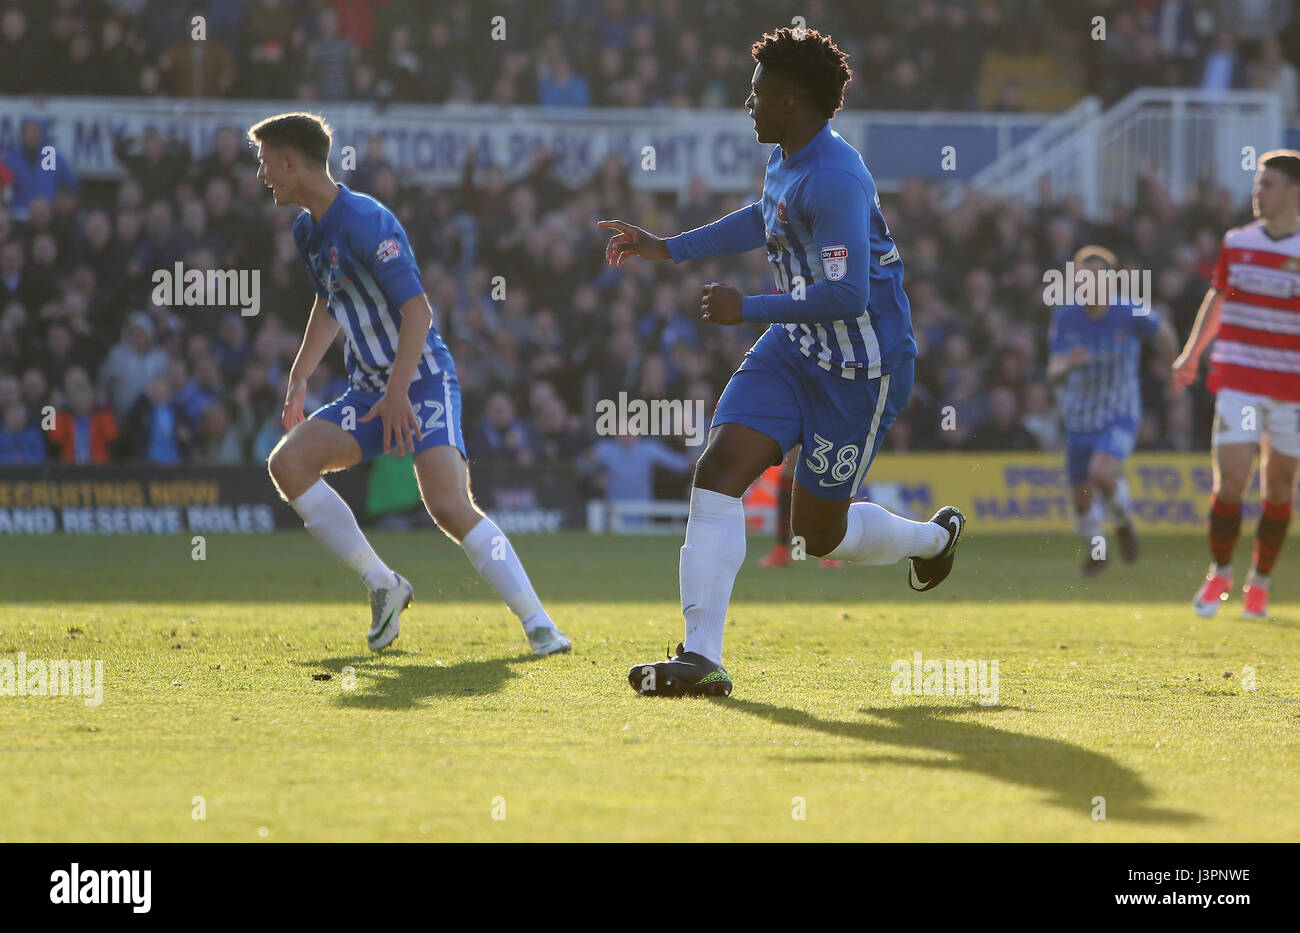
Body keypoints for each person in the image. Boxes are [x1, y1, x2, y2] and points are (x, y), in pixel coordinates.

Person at [598, 28, 964, 698]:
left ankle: (932, 542)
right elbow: (765, 218)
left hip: (861, 370)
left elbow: (849, 293)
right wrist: (668, 248)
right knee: (718, 468)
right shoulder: (791, 157)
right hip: (796, 349)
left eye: (758, 91)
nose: (748, 103)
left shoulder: (835, 178)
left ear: (791, 102)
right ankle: (699, 656)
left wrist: (750, 308)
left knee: (817, 534)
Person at [249, 112, 569, 655]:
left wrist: (398, 394)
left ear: (290, 161)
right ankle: (383, 584)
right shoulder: (307, 229)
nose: (262, 175)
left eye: (264, 162)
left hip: (419, 380)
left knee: (446, 504)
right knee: (288, 463)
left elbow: (418, 312)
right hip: (371, 390)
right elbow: (330, 301)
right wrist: (300, 377)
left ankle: (540, 624)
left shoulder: (367, 221)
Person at [1173, 150, 1300, 620]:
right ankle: (1220, 572)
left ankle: (1260, 582)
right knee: (1230, 484)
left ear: (1292, 191)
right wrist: (1192, 353)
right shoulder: (1237, 242)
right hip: (1240, 380)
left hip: (1291, 391)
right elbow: (1218, 297)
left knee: (1279, 490)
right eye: (1256, 184)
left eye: (1267, 184)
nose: (1258, 192)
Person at [1047, 245, 1177, 575]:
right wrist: (1068, 366)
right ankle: (1098, 551)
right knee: (1081, 497)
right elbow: (1053, 371)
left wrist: (1174, 371)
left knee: (1102, 473)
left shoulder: (1129, 311)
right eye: (1082, 277)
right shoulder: (1066, 316)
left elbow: (1163, 332)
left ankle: (1122, 523)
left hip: (1120, 411)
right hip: (1080, 416)